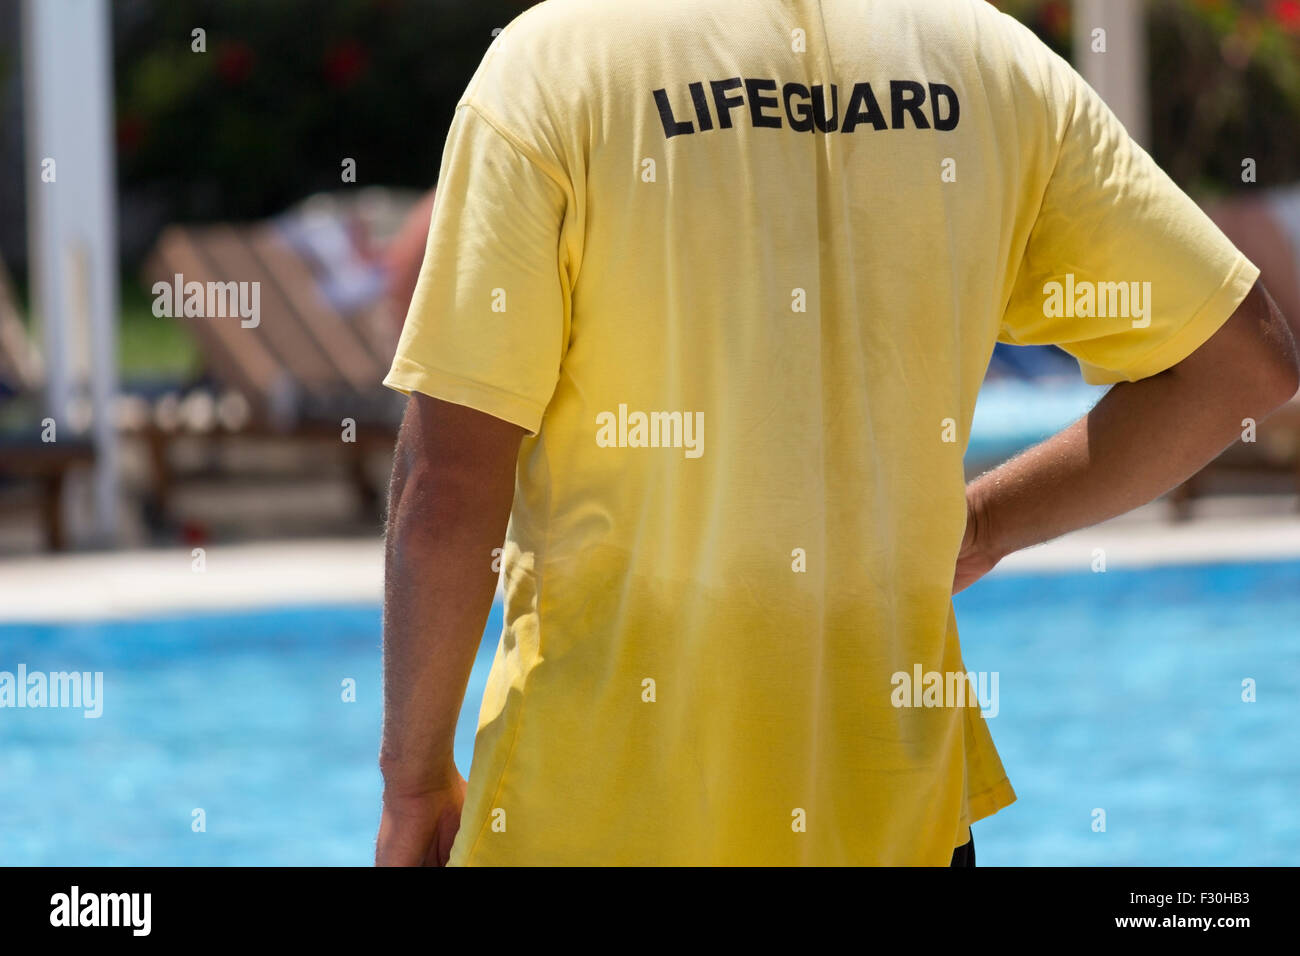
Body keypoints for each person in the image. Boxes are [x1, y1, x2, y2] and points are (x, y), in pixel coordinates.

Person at [374, 0, 1299, 866]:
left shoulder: (554, 66)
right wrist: (985, 525)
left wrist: (413, 782)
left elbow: (447, 488)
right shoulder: (989, 60)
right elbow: (1245, 367)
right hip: (898, 813)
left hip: (589, 817)